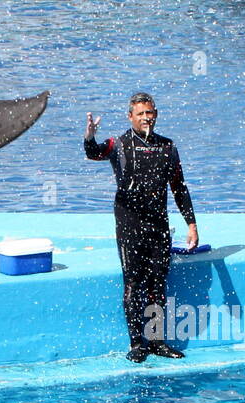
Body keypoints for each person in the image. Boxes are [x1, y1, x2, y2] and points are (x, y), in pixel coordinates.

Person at [85, 92, 199, 363]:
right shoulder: (119, 144)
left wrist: (191, 224)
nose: (146, 118)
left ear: (155, 114)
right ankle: (137, 343)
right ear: (130, 117)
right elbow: (93, 153)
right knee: (133, 284)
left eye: (150, 113)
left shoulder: (167, 147)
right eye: (141, 114)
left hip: (158, 226)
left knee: (157, 285)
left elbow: (180, 188)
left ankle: (158, 341)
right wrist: (89, 136)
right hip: (129, 226)